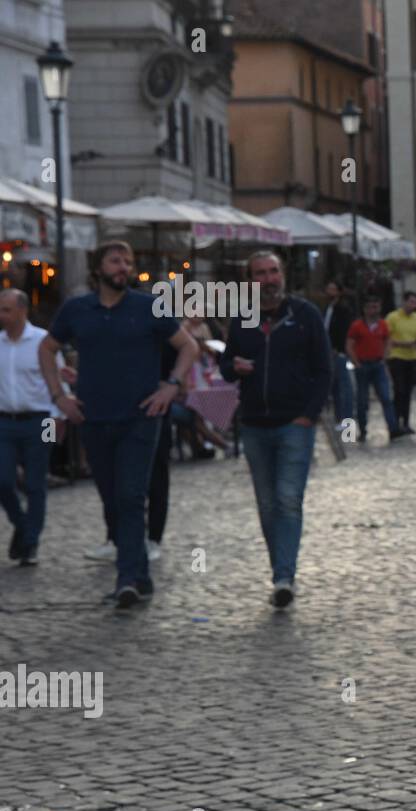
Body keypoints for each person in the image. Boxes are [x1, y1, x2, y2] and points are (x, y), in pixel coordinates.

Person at [39, 240, 198, 608]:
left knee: (130, 496)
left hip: (141, 417)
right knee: (111, 498)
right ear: (99, 268)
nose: (123, 267)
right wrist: (59, 396)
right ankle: (140, 575)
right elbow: (46, 348)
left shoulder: (148, 307)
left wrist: (170, 386)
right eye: (116, 261)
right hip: (93, 417)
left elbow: (188, 347)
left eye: (128, 261)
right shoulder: (77, 310)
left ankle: (126, 579)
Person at [218, 250, 332, 609]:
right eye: (259, 274)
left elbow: (325, 369)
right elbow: (225, 364)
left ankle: (285, 576)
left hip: (294, 423)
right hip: (254, 424)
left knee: (287, 498)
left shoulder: (305, 315)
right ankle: (279, 570)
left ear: (283, 275)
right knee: (267, 505)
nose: (268, 280)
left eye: (273, 272)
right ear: (248, 280)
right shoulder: (242, 316)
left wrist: (309, 415)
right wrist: (234, 366)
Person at [0, 289, 56, 566]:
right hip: (5, 422)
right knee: (3, 480)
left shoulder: (43, 342)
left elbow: (57, 384)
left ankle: (31, 542)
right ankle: (21, 524)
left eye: (6, 310)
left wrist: (57, 422)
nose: (2, 315)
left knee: (36, 484)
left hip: (41, 419)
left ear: (22, 311)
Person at [345, 296, 402, 444]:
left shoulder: (383, 325)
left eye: (376, 307)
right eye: (371, 307)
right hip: (362, 365)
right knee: (362, 401)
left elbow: (388, 340)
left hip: (378, 365)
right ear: (365, 309)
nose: (374, 310)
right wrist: (355, 362)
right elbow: (349, 344)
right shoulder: (357, 326)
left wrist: (385, 356)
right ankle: (362, 430)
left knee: (386, 397)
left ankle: (393, 428)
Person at [384, 291, 416, 436]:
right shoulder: (393, 317)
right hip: (397, 357)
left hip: (412, 358)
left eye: (415, 302)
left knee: (408, 391)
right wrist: (403, 344)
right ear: (404, 301)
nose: (414, 305)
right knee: (399, 390)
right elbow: (387, 338)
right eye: (411, 302)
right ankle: (395, 423)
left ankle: (406, 422)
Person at [322, 280, 355, 429]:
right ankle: (338, 418)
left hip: (338, 353)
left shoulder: (343, 310)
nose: (329, 292)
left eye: (332, 289)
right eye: (328, 288)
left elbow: (345, 331)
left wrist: (339, 348)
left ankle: (347, 421)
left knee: (344, 388)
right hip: (327, 352)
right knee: (334, 388)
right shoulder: (326, 309)